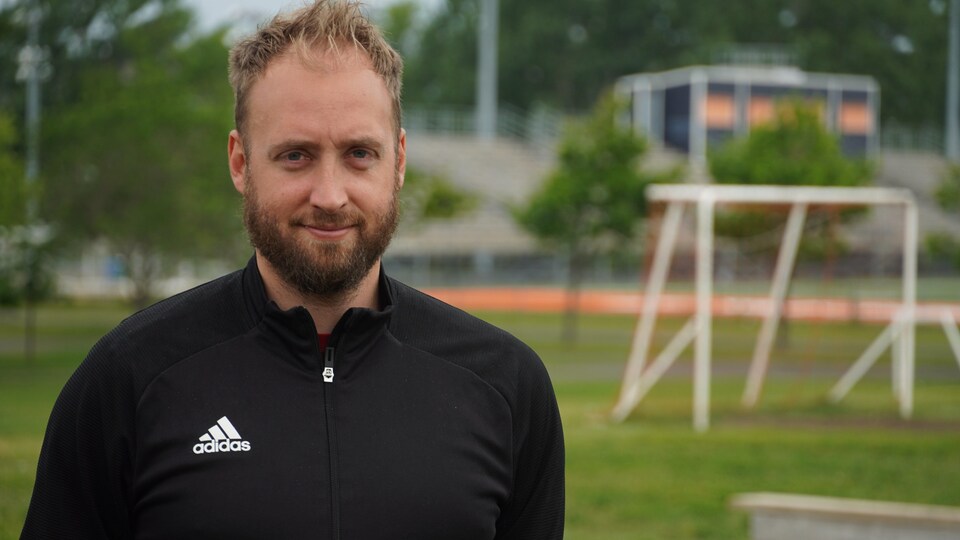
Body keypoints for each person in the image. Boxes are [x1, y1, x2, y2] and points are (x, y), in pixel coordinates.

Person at [20, 1, 565, 538]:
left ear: (398, 162)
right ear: (240, 162)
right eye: (295, 156)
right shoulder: (127, 378)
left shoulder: (505, 386)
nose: (329, 196)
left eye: (359, 154)